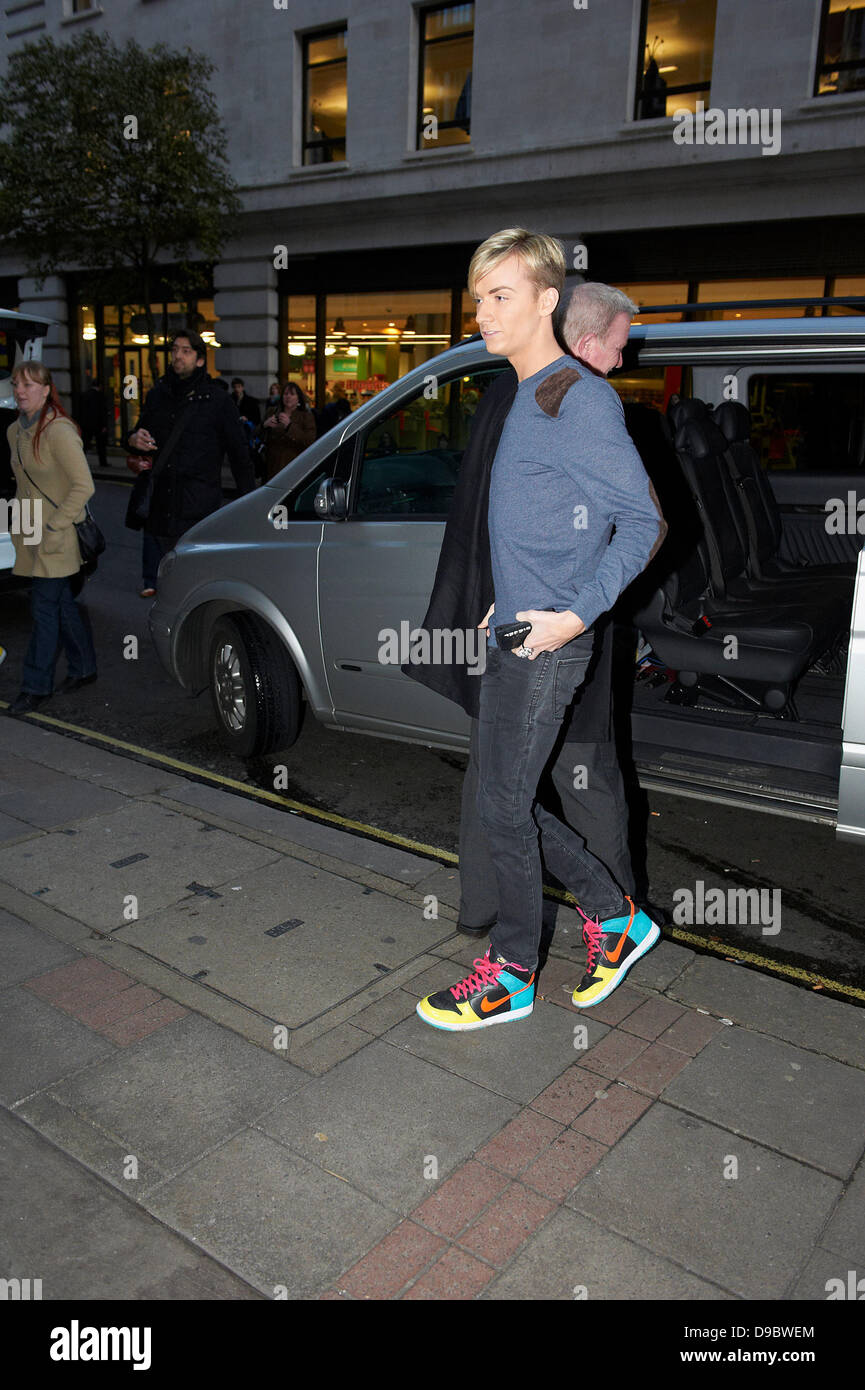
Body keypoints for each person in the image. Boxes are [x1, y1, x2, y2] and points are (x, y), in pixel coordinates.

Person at [415, 230, 666, 1032]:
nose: (483, 313)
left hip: (550, 644)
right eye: (477, 298)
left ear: (547, 300)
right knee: (503, 802)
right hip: (517, 629)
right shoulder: (526, 394)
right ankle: (612, 919)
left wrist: (575, 612)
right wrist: (509, 596)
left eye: (501, 296)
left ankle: (513, 973)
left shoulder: (575, 398)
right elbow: (546, 519)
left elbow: (642, 522)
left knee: (501, 806)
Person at [125, 331, 254, 582]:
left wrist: (249, 506)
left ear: (200, 359)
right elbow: (139, 435)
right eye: (175, 350)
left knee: (194, 582)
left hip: (198, 511)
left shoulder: (217, 401)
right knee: (165, 583)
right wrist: (132, 439)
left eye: (186, 351)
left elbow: (240, 457)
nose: (178, 356)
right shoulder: (158, 395)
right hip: (161, 509)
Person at [6, 362, 97, 713]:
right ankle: (84, 667)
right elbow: (23, 487)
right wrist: (18, 527)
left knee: (43, 609)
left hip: (57, 538)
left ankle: (35, 686)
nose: (20, 390)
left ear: (46, 391)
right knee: (60, 605)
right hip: (31, 535)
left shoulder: (59, 431)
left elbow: (83, 486)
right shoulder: (14, 431)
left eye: (29, 385)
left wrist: (55, 525)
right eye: (16, 384)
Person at [261, 381, 316, 482]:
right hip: (272, 466)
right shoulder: (272, 412)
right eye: (285, 394)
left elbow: (310, 440)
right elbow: (257, 434)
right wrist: (265, 425)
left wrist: (289, 426)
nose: (288, 397)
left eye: (292, 394)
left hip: (294, 465)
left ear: (298, 398)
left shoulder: (306, 416)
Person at [77, 378, 109, 468]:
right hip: (98, 424)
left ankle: (80, 461)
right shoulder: (100, 396)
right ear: (100, 386)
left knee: (85, 443)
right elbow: (102, 411)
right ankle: (103, 462)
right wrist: (104, 425)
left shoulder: (84, 395)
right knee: (101, 445)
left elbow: (80, 410)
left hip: (86, 424)